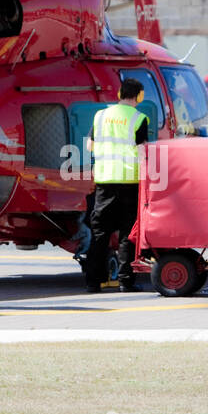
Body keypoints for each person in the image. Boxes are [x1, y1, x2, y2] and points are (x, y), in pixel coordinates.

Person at [85, 78, 150, 292]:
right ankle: (125, 281)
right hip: (130, 183)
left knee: (99, 234)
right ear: (139, 96)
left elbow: (89, 146)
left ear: (120, 93)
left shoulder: (100, 116)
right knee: (126, 234)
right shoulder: (140, 118)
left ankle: (93, 282)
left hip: (104, 182)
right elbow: (142, 152)